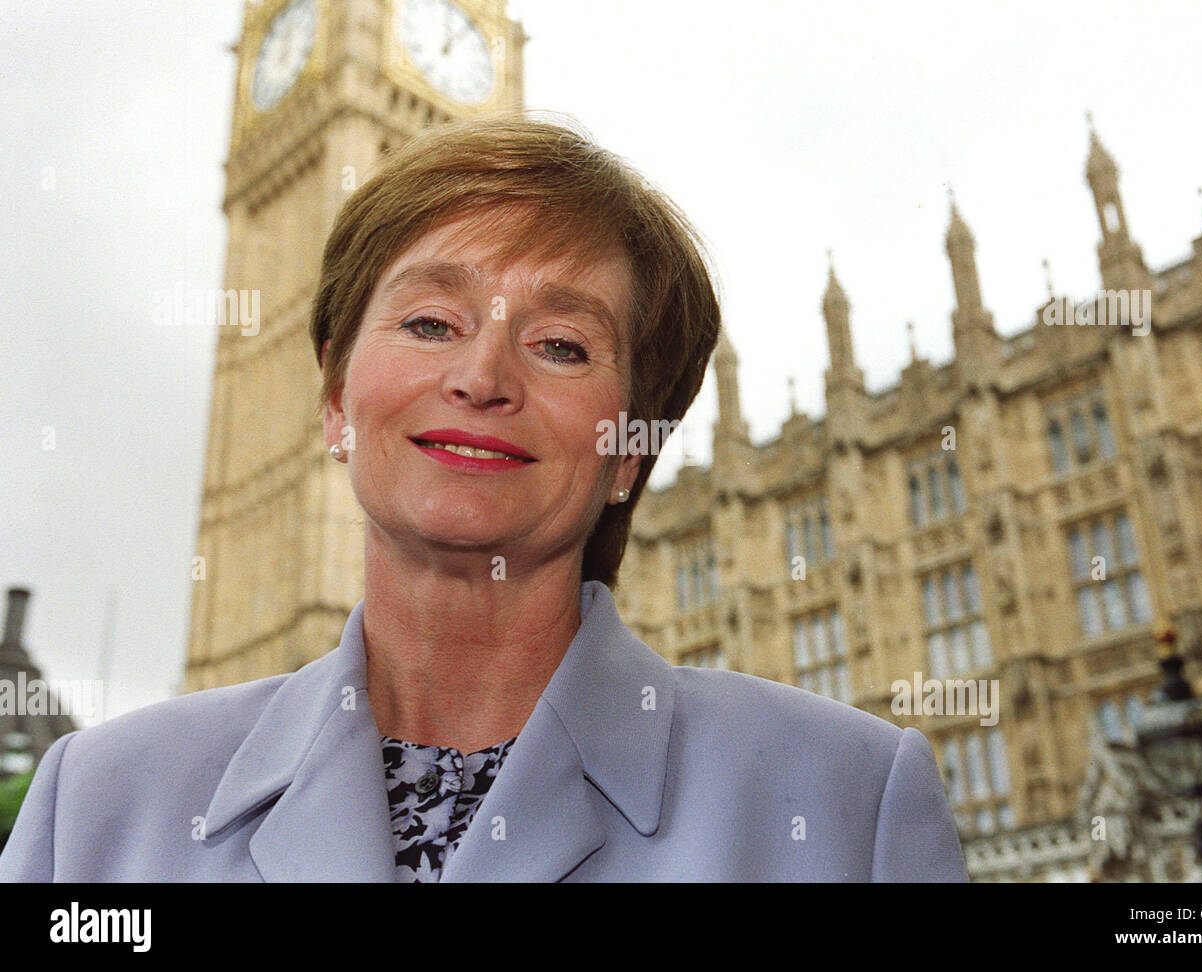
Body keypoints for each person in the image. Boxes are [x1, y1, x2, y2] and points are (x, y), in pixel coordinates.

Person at [0, 114, 968, 882]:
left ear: (631, 450)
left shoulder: (845, 797)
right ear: (335, 397)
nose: (481, 374)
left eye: (561, 345)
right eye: (429, 321)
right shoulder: (99, 801)